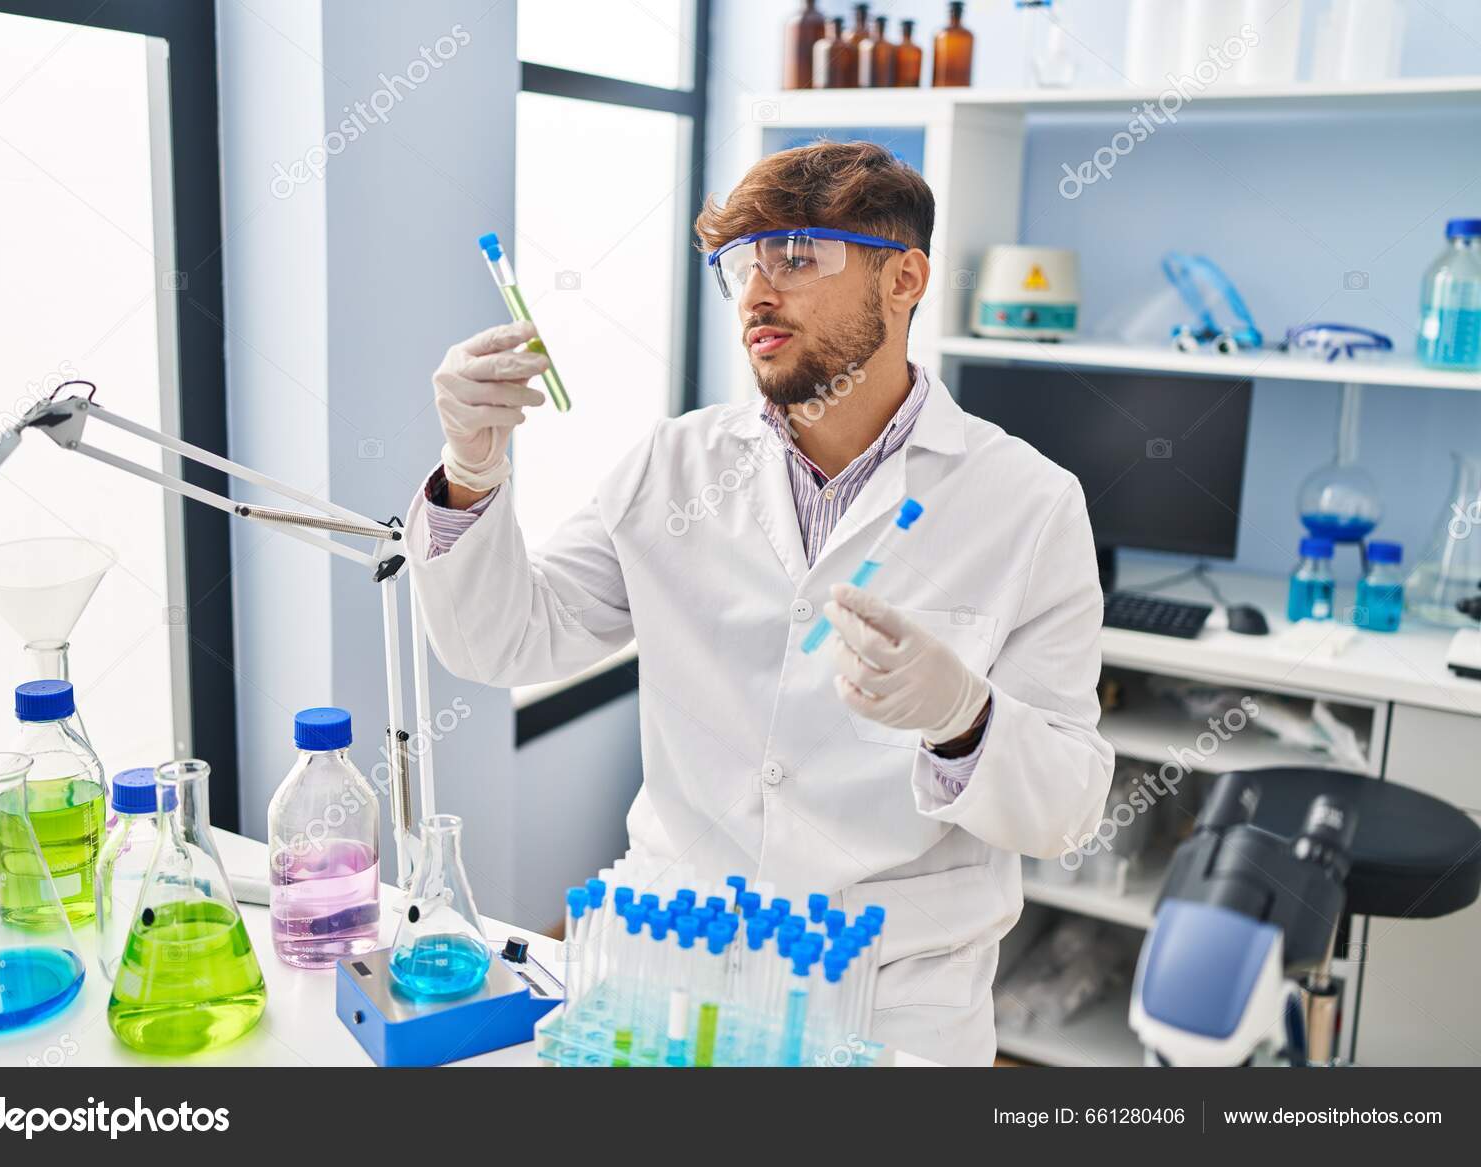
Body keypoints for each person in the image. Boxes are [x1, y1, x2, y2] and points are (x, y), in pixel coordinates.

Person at [406, 141, 1111, 1064]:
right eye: (741, 264)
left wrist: (964, 719)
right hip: (668, 966)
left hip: (887, 998)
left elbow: (1066, 812)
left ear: (905, 278)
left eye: (796, 257)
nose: (755, 293)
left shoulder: (1028, 501)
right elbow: (502, 644)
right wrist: (471, 472)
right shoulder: (673, 465)